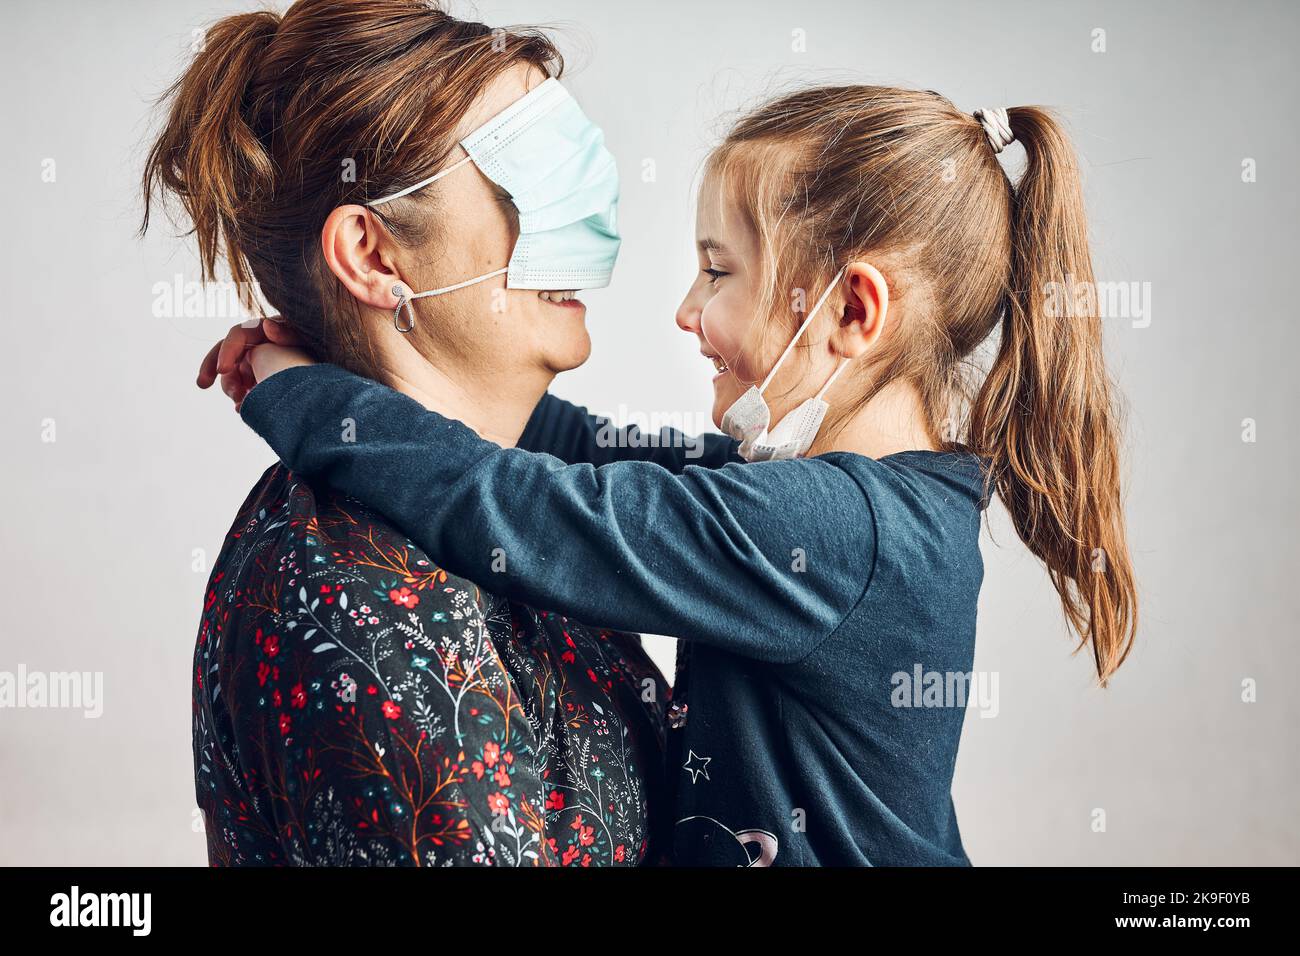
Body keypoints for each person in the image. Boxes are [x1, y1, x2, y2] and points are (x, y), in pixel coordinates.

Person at [218, 85, 1138, 866]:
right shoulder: (823, 493)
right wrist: (358, 374)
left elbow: (533, 511)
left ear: (853, 309)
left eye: (716, 272)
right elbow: (583, 450)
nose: (686, 313)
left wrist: (299, 397)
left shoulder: (839, 532)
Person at [146, 0, 675, 866]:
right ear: (375, 255)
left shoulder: (526, 496)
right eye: (531, 172)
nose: (584, 208)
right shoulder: (352, 597)